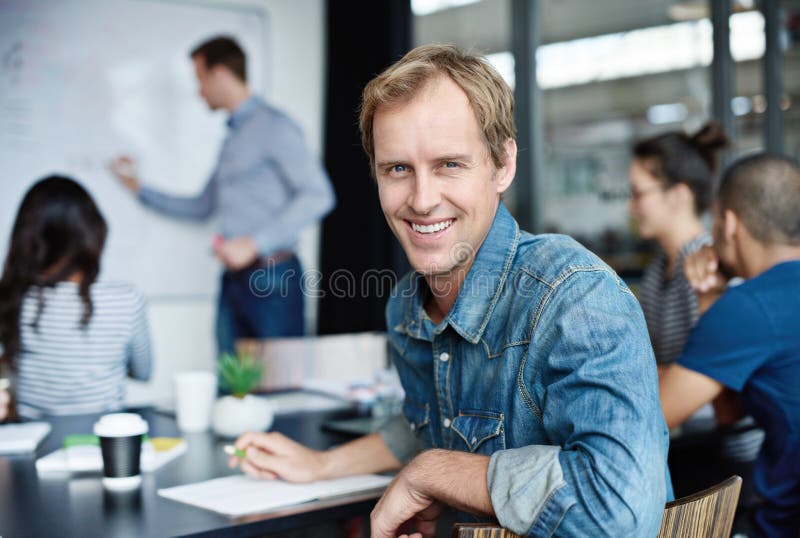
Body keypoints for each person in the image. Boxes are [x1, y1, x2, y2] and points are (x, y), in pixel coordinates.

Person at [228, 44, 670, 536]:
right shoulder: (406, 305)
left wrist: (434, 472)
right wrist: (321, 466)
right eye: (398, 169)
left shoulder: (575, 298)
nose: (421, 199)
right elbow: (428, 425)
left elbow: (618, 511)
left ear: (502, 165)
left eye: (449, 165)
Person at [110, 36, 335, 355]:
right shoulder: (233, 138)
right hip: (234, 282)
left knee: (280, 391)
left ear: (219, 73)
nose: (198, 91)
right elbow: (202, 206)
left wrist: (254, 243)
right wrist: (139, 189)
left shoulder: (274, 127)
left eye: (199, 79)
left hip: (273, 279)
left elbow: (319, 195)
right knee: (231, 389)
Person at [660, 153, 800, 537]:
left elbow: (657, 412)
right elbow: (729, 413)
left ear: (730, 224)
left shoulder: (752, 305)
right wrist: (711, 300)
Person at [0, 176, 152, 417]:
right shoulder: (126, 299)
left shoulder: (14, 297)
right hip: (105, 438)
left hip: (35, 440)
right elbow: (143, 372)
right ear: (92, 233)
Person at [628, 123, 727, 371]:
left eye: (638, 194)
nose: (630, 207)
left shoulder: (711, 269)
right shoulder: (657, 270)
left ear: (680, 195)